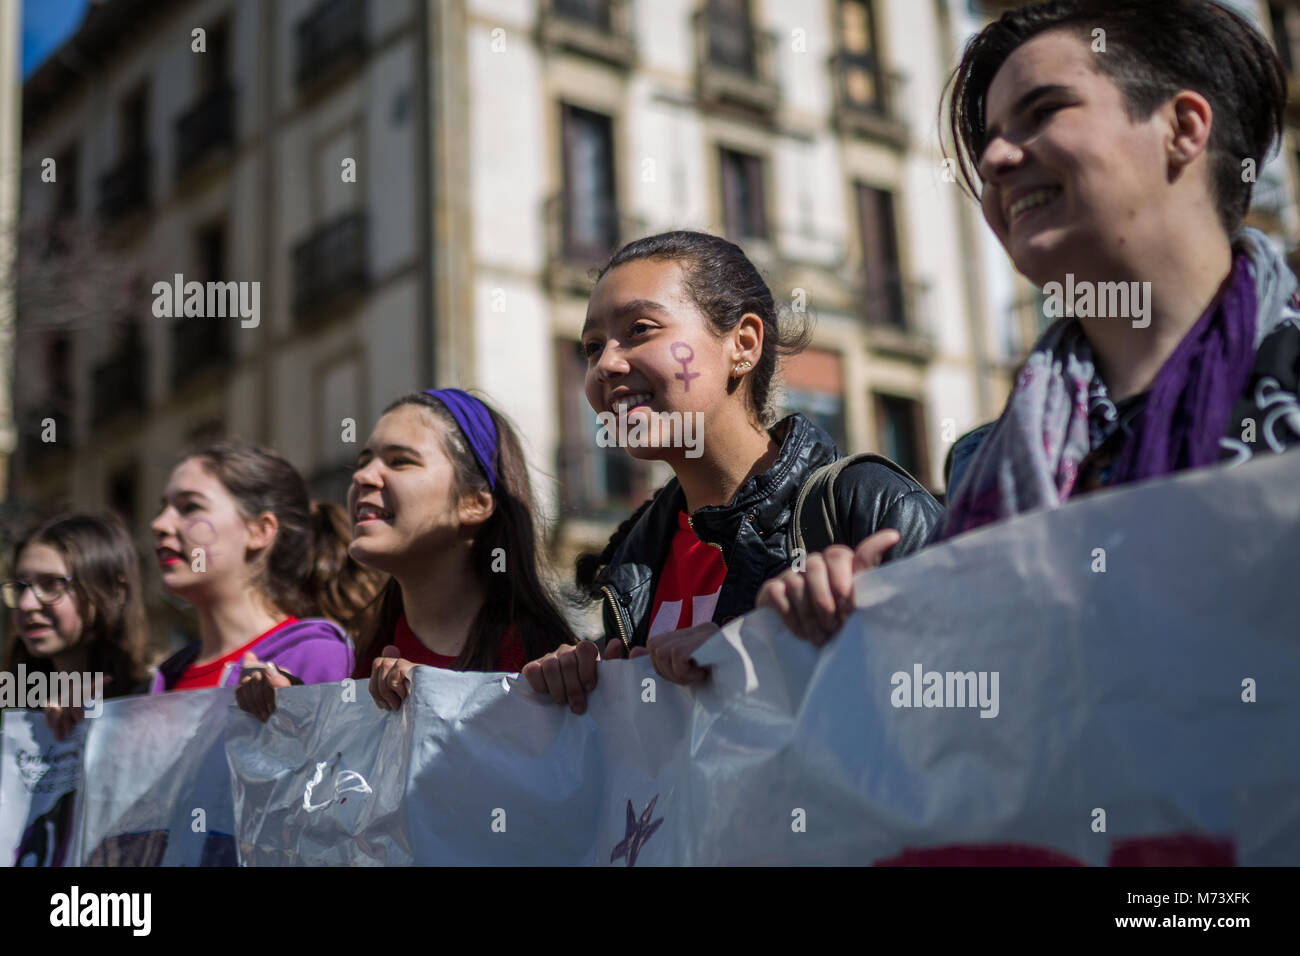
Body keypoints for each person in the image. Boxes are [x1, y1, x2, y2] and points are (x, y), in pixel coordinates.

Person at [524, 231, 943, 711]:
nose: (606, 365)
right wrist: (579, 680)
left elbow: (976, 698)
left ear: (743, 344)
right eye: (592, 347)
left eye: (639, 329)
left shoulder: (867, 507)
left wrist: (775, 650)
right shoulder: (633, 565)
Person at [929, 0, 1300, 539]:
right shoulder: (983, 466)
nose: (995, 161)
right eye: (989, 140)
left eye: (1044, 112)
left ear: (1182, 128)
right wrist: (864, 608)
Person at [240, 389, 578, 719]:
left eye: (400, 461)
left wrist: (437, 704)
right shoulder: (361, 658)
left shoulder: (545, 663)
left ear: (474, 503)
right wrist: (297, 718)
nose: (362, 476)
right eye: (363, 462)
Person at [149, 441, 381, 699]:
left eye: (190, 507)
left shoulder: (320, 658)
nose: (160, 524)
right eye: (163, 508)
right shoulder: (162, 679)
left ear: (260, 530)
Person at [3, 513, 149, 740]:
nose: (26, 604)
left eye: (51, 584)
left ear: (114, 591)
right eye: (21, 587)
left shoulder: (156, 697)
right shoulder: (13, 705)